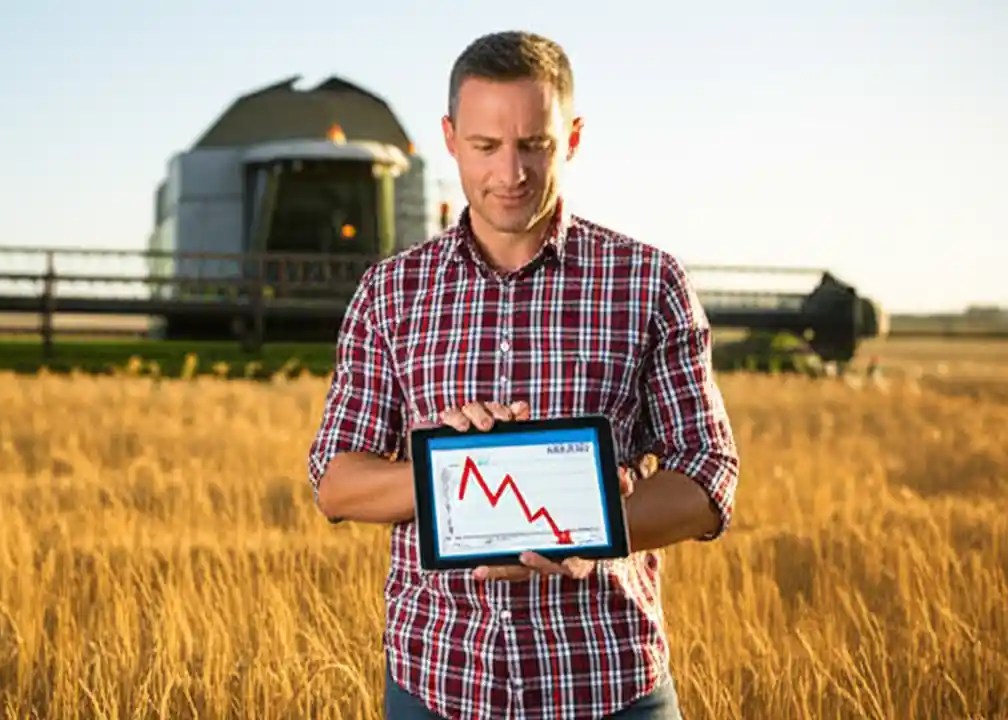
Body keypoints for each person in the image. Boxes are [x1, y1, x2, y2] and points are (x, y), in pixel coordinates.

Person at [306, 29, 740, 720]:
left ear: (571, 138)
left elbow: (710, 476)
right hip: (437, 680)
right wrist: (458, 474)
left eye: (533, 145)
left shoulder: (648, 282)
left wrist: (582, 525)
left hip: (607, 680)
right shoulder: (389, 292)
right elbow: (334, 482)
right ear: (449, 139)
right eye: (485, 146)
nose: (510, 172)